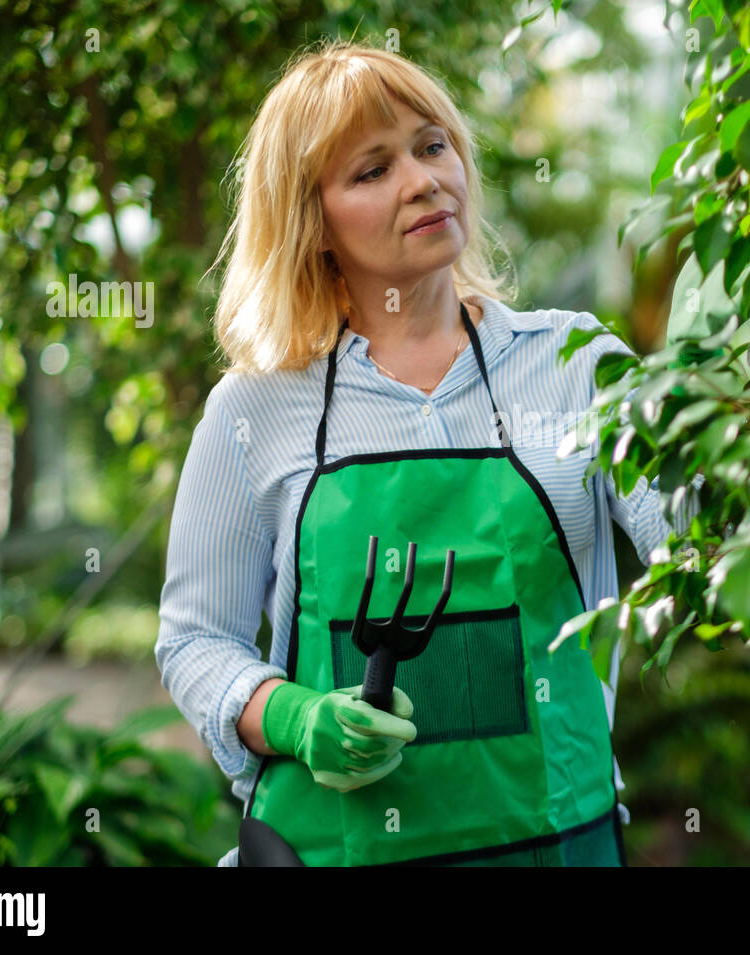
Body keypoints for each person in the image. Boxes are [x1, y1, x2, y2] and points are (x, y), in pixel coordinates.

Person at [155, 38, 702, 867]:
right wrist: (296, 716)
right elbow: (195, 643)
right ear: (314, 221)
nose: (422, 180)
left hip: (556, 844)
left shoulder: (576, 364)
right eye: (371, 171)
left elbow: (692, 545)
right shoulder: (254, 411)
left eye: (431, 144)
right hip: (334, 851)